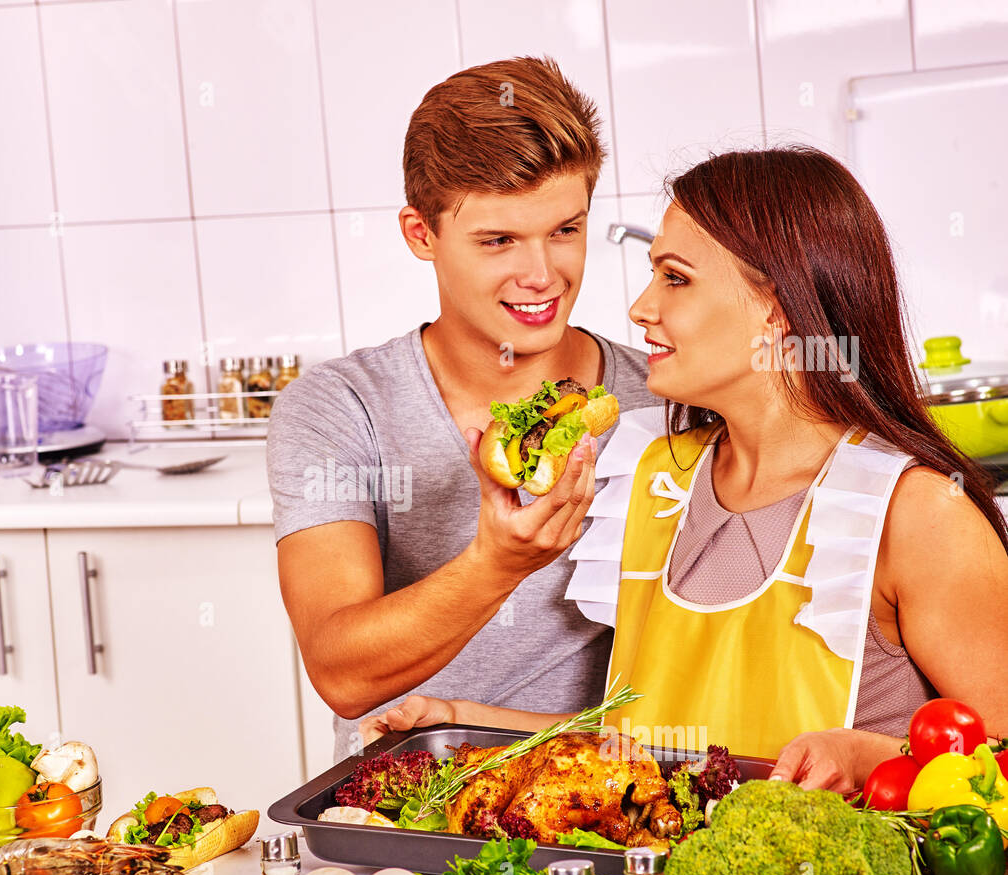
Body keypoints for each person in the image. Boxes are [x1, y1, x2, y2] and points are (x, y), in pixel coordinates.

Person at [362, 146, 1008, 794]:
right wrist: (463, 723)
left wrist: (870, 759)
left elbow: (1000, 759)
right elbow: (648, 747)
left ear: (775, 309)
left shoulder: (916, 513)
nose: (641, 307)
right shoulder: (652, 477)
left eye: (674, 278)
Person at [266, 56, 661, 761]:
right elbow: (340, 671)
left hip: (606, 802)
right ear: (421, 234)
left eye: (564, 231)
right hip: (405, 808)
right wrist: (497, 562)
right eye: (499, 240)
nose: (542, 275)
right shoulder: (338, 408)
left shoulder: (660, 397)